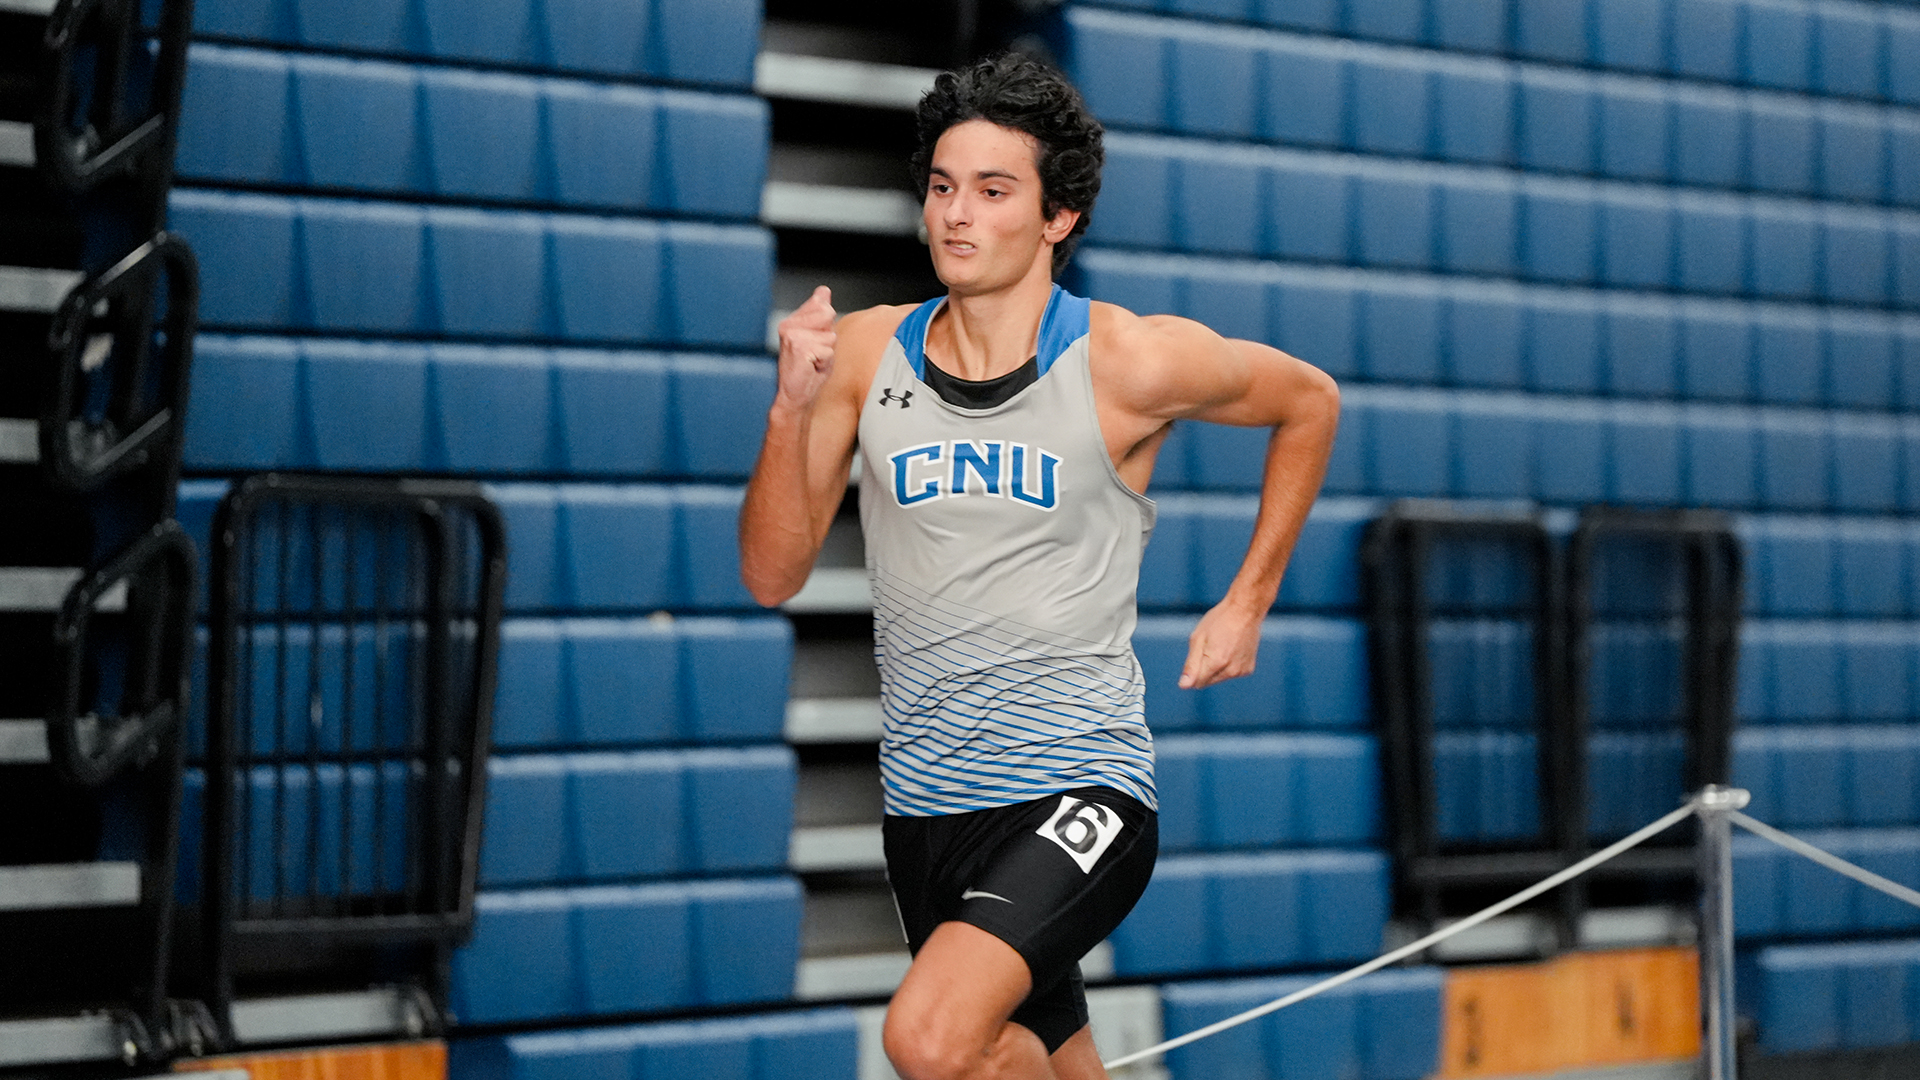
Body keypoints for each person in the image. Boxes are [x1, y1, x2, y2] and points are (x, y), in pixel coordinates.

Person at [738, 52, 1339, 1080]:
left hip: (1080, 790)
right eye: (941, 187)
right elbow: (772, 575)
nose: (956, 215)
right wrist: (790, 408)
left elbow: (1309, 402)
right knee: (1046, 1064)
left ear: (1057, 218)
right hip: (925, 811)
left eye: (993, 190)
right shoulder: (871, 359)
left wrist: (1249, 599)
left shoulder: (1126, 361)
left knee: (928, 1040)